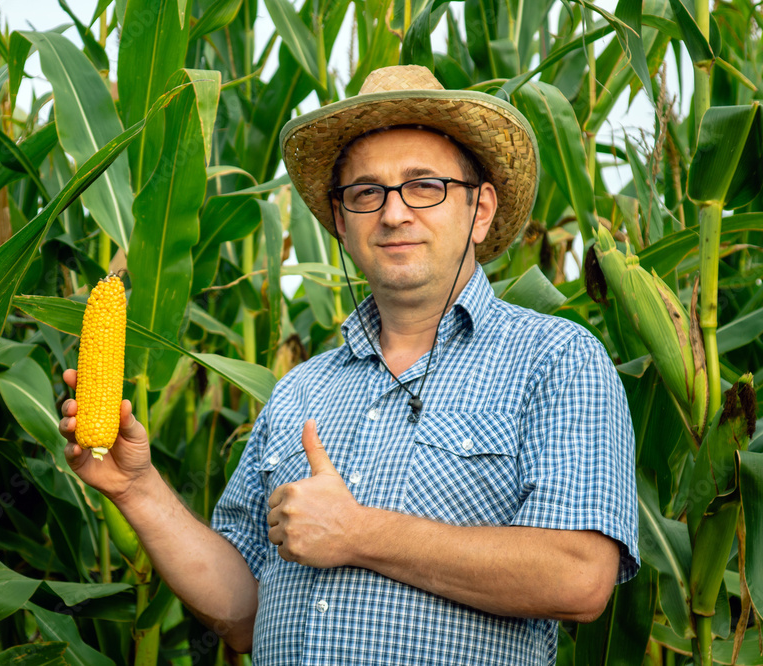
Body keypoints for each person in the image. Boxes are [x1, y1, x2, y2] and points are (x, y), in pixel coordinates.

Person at [60, 65, 640, 665]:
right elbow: (246, 616)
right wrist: (137, 488)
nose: (393, 214)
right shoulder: (301, 391)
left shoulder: (557, 360)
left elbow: (580, 578)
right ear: (341, 222)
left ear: (481, 208)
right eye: (366, 193)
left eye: (424, 186)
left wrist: (357, 533)